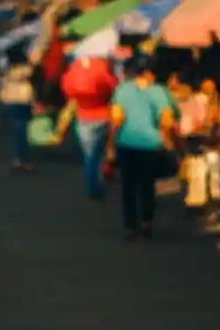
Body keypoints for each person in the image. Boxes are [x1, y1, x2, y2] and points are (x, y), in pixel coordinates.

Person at [108, 56, 173, 239]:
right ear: (148, 72)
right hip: (151, 145)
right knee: (147, 185)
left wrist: (110, 145)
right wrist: (166, 139)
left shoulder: (122, 90)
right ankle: (146, 222)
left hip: (126, 144)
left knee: (128, 186)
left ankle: (130, 225)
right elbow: (166, 119)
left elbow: (116, 119)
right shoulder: (158, 92)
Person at [60, 55, 118, 199]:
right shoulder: (102, 68)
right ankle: (96, 185)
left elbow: (66, 88)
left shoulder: (75, 68)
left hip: (82, 115)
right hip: (102, 115)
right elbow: (112, 87)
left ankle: (93, 185)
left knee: (89, 154)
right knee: (97, 154)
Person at [0, 47, 36, 171]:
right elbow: (32, 71)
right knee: (23, 131)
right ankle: (22, 158)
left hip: (9, 101)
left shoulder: (7, 71)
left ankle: (18, 158)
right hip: (23, 101)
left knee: (17, 131)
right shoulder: (26, 70)